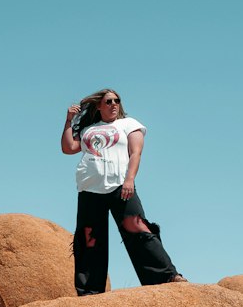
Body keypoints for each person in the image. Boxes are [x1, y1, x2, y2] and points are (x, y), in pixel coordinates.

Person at [61, 87, 187, 296]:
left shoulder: (129, 124)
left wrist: (130, 179)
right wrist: (68, 121)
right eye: (108, 101)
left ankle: (166, 276)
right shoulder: (88, 130)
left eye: (116, 101)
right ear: (99, 106)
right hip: (89, 189)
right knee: (90, 239)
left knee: (138, 229)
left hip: (121, 186)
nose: (113, 104)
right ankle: (89, 291)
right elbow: (68, 148)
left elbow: (136, 152)